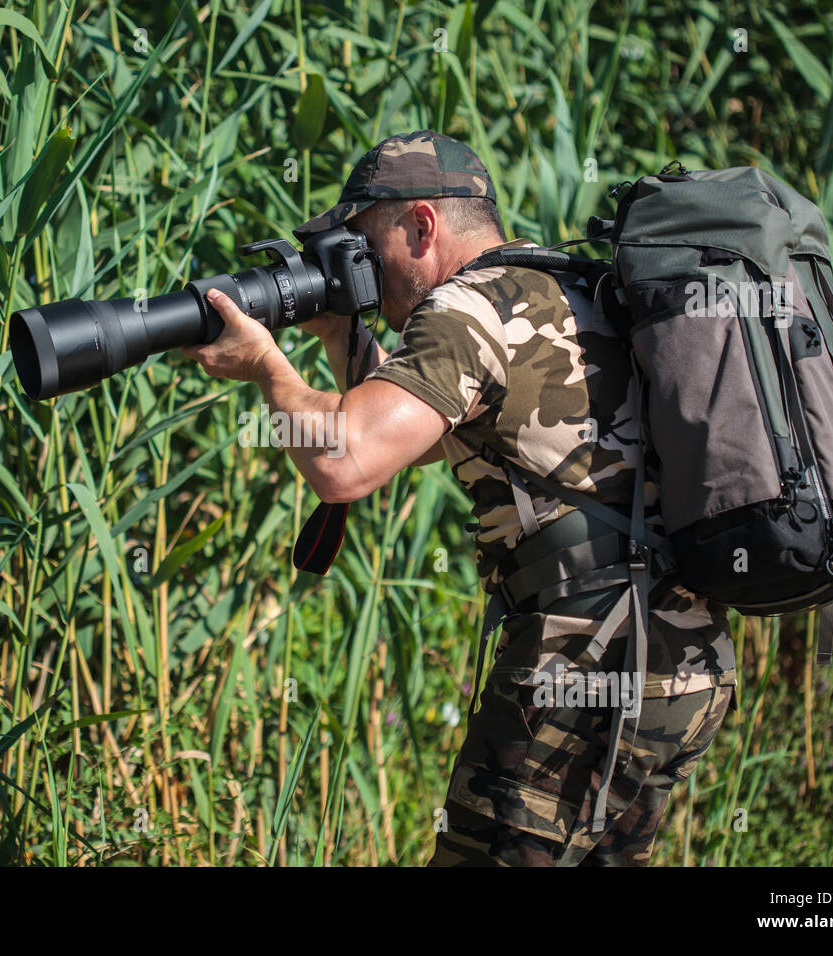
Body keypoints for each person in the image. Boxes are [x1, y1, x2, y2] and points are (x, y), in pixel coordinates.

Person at [182, 129, 736, 866]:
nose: (361, 269)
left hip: (580, 664)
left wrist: (266, 366)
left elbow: (344, 463)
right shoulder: (566, 286)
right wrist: (340, 333)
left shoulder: (464, 309)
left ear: (421, 225)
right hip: (682, 656)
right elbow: (429, 426)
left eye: (363, 244)